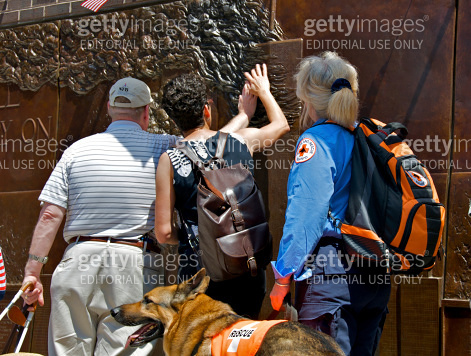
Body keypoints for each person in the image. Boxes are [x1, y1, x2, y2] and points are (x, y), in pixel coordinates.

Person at [20, 77, 178, 356]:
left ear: (109, 108)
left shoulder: (75, 151)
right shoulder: (165, 146)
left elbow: (50, 215)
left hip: (77, 260)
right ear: (145, 112)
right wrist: (243, 117)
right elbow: (211, 145)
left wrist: (32, 274)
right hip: (133, 264)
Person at [269, 52, 391, 356]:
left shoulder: (316, 141)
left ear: (309, 100)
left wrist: (283, 278)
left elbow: (305, 216)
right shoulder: (369, 138)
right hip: (375, 273)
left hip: (331, 276)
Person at [154, 64, 289, 319]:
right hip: (246, 267)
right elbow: (280, 125)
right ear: (206, 109)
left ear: (173, 118)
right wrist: (263, 92)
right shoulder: (242, 140)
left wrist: (199, 237)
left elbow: (163, 233)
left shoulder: (169, 160)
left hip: (200, 275)